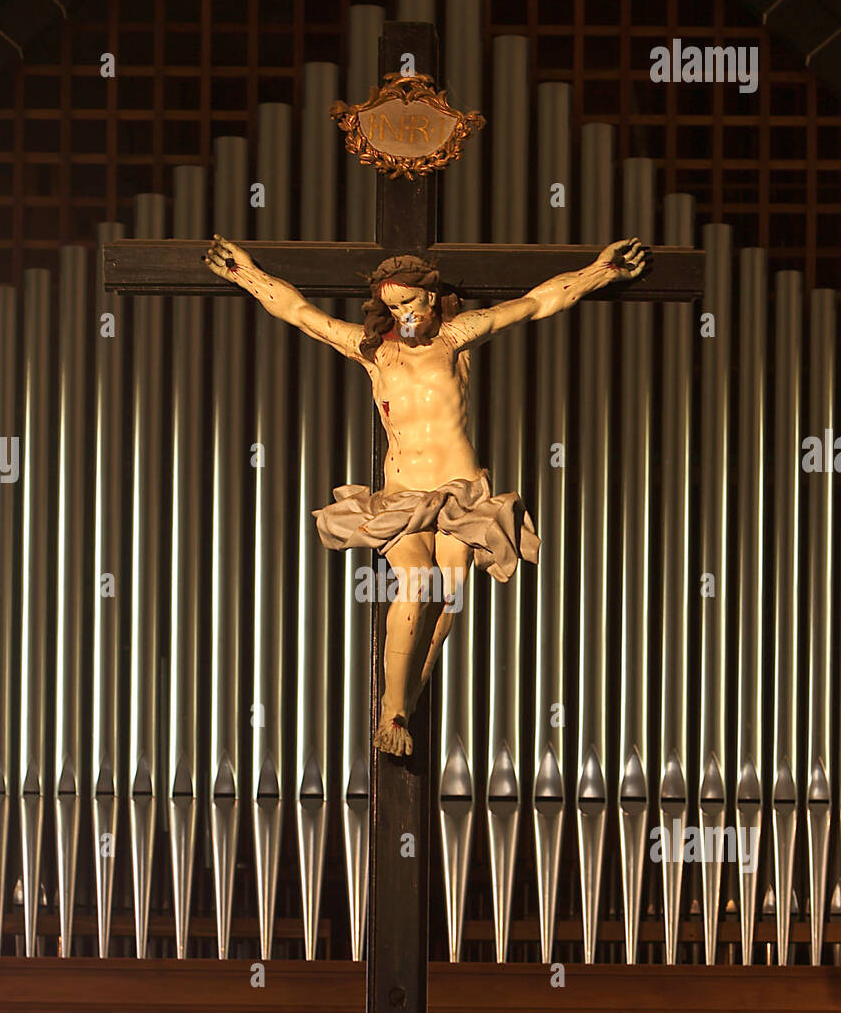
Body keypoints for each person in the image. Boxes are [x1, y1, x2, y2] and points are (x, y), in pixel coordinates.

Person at [205, 234, 647, 755]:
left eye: (410, 302)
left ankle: (405, 707)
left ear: (431, 298)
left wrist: (601, 271)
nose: (403, 314)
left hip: (461, 498)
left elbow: (535, 303)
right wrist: (246, 274)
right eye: (392, 306)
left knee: (446, 605)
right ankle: (391, 709)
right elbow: (299, 312)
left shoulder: (456, 338)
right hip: (403, 498)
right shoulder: (374, 353)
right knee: (417, 583)